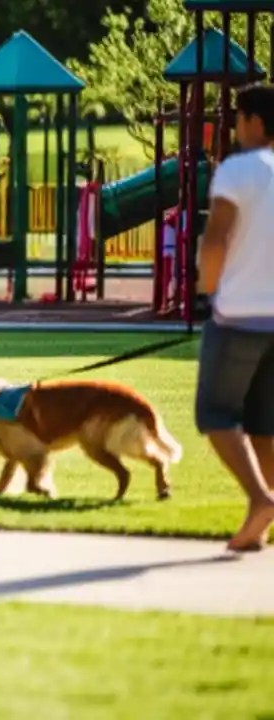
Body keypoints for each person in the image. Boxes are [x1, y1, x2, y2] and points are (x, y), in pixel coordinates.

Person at [195, 83, 274, 552]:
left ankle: (261, 498)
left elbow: (216, 238)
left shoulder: (238, 169)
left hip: (239, 314)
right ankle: (257, 524)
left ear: (255, 121)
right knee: (265, 422)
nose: (235, 128)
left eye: (238, 119)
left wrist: (211, 293)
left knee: (215, 413)